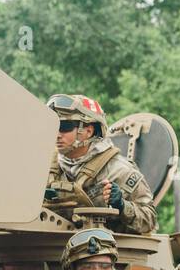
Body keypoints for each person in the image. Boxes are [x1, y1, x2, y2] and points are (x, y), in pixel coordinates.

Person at [44, 94, 156, 235]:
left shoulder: (119, 171)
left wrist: (122, 206)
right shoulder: (45, 167)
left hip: (104, 252)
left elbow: (149, 220)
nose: (57, 134)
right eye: (54, 126)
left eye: (65, 127)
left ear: (88, 131)